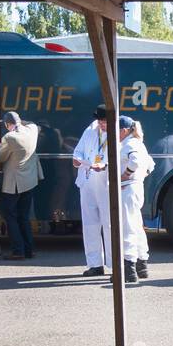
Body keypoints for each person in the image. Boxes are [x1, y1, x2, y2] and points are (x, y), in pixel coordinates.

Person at [0, 110, 43, 261]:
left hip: (14, 182)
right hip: (29, 181)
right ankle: (29, 250)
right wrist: (20, 122)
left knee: (10, 216)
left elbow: (1, 157)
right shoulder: (32, 130)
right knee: (24, 216)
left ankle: (18, 251)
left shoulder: (9, 137)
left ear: (8, 124)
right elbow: (32, 124)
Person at [116, 115, 156, 283]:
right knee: (136, 226)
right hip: (135, 187)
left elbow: (136, 161)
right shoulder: (138, 143)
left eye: (116, 130)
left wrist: (127, 175)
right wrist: (138, 177)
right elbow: (150, 165)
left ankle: (129, 267)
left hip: (128, 188)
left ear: (124, 130)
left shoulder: (130, 144)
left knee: (128, 227)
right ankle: (142, 264)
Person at [72, 105, 110, 275]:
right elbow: (77, 153)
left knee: (110, 225)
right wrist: (79, 161)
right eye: (100, 120)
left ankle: (114, 264)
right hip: (88, 181)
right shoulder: (90, 131)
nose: (102, 124)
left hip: (106, 182)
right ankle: (95, 264)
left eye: (104, 121)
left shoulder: (119, 134)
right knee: (90, 224)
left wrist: (104, 165)